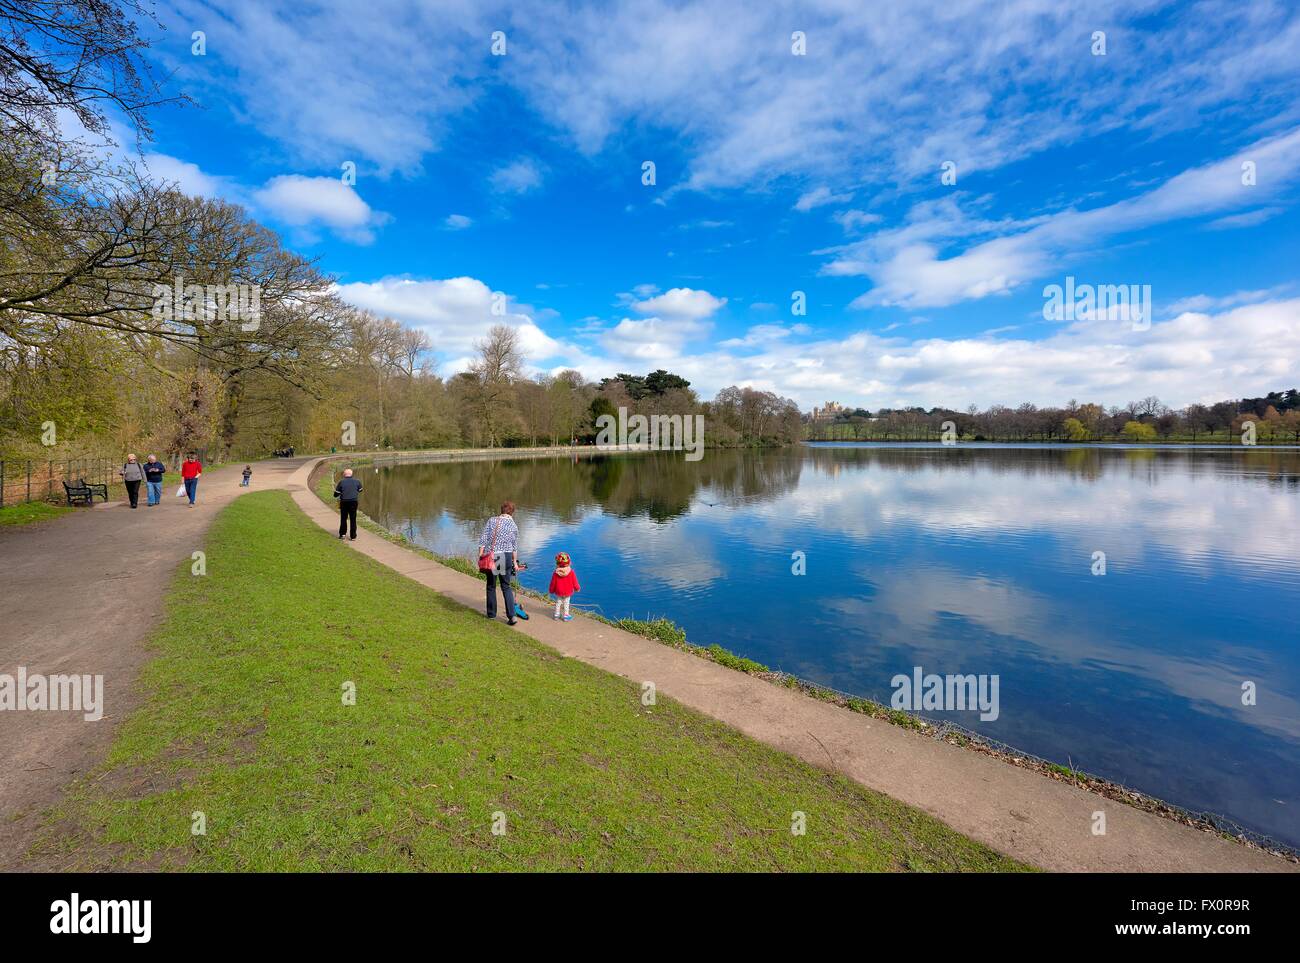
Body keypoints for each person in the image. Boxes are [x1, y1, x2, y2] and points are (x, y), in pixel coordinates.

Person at [478, 500, 524, 625]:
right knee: (506, 586)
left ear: (501, 510)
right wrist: (514, 562)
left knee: (491, 586)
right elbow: (514, 547)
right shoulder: (513, 525)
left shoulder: (492, 521)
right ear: (512, 512)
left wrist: (480, 555)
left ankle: (492, 614)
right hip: (506, 556)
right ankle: (512, 616)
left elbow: (483, 539)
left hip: (493, 556)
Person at [549, 552, 581, 621]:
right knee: (566, 603)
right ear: (569, 563)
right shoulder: (571, 572)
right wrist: (577, 588)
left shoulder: (556, 573)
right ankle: (566, 616)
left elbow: (553, 583)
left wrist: (551, 590)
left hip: (559, 591)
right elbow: (575, 582)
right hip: (568, 591)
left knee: (558, 602)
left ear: (557, 563)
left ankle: (556, 615)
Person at [333, 468, 362, 540]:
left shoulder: (341, 482)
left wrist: (340, 493)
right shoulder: (357, 481)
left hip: (344, 502)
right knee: (353, 519)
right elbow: (360, 490)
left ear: (344, 474)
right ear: (352, 474)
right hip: (354, 502)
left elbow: (336, 494)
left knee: (343, 518)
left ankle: (342, 534)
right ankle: (353, 536)